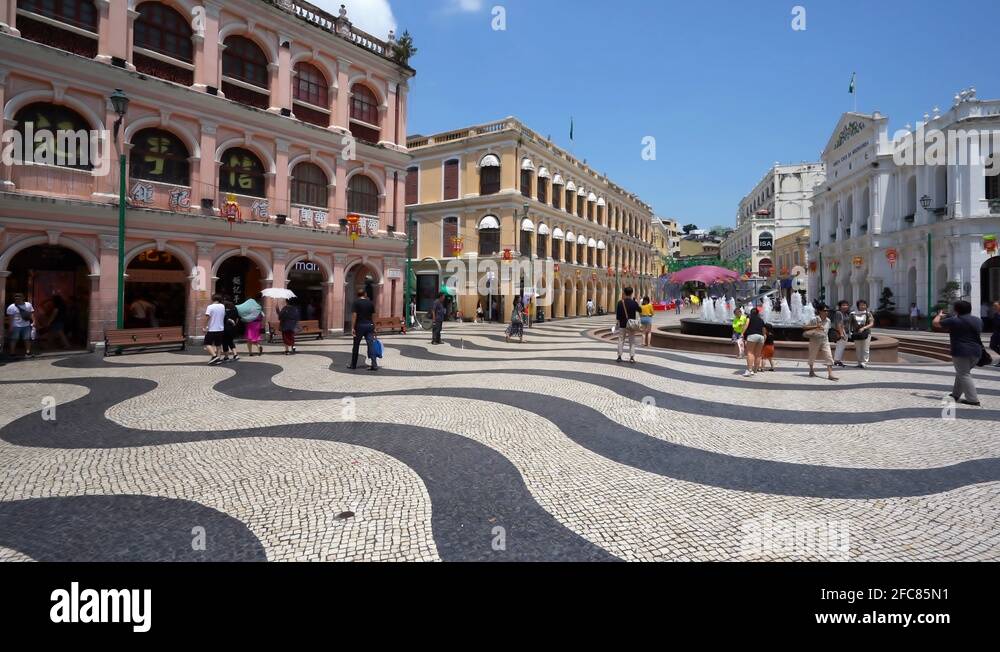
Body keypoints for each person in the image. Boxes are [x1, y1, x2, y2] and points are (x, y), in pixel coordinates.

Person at [934, 301, 983, 406]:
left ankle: (973, 399)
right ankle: (956, 394)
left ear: (957, 310)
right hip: (977, 352)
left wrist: (939, 315)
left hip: (961, 351)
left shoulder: (955, 320)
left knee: (964, 374)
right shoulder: (978, 320)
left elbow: (935, 323)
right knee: (962, 372)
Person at [803, 302, 838, 381]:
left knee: (829, 355)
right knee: (812, 355)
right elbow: (804, 327)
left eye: (827, 310)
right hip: (815, 340)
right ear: (820, 311)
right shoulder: (814, 319)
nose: (826, 312)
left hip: (825, 340)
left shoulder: (828, 320)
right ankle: (811, 370)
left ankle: (830, 374)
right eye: (825, 310)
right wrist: (816, 326)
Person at [348, 288, 378, 371]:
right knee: (370, 345)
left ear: (358, 295)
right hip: (369, 326)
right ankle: (374, 364)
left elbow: (354, 316)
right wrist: (374, 327)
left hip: (359, 326)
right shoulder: (370, 303)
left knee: (356, 345)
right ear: (365, 294)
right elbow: (374, 316)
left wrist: (353, 327)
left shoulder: (356, 303)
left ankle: (353, 365)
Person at [615, 286, 641, 363]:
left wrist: (618, 322)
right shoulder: (634, 303)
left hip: (622, 325)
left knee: (621, 340)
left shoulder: (620, 303)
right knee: (632, 341)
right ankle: (632, 357)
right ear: (631, 293)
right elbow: (640, 310)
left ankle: (619, 356)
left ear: (624, 293)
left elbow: (618, 316)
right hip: (631, 325)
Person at [5, 293, 35, 359]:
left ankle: (28, 352)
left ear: (23, 298)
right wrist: (10, 327)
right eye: (16, 298)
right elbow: (11, 318)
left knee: (27, 339)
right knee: (14, 339)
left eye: (19, 298)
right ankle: (12, 353)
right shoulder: (11, 307)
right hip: (16, 326)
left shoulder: (28, 305)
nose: (17, 299)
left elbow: (31, 313)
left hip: (26, 325)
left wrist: (34, 322)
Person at [742, 306, 766, 377]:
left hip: (752, 335)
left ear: (751, 313)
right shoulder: (761, 320)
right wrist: (764, 338)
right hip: (761, 337)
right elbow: (763, 330)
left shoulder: (749, 317)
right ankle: (755, 370)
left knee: (750, 352)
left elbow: (746, 325)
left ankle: (749, 370)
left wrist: (742, 333)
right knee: (758, 354)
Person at [850, 300, 875, 368]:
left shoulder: (868, 313)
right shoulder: (853, 314)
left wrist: (864, 328)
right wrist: (850, 332)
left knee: (865, 348)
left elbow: (871, 323)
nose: (863, 306)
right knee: (858, 348)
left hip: (866, 333)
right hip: (856, 333)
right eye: (861, 305)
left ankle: (864, 362)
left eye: (864, 305)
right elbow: (850, 324)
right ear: (858, 305)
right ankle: (859, 362)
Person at [203, 294, 226, 365]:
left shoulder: (210, 307)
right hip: (220, 328)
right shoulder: (222, 306)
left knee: (207, 344)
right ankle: (218, 359)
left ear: (213, 299)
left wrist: (204, 326)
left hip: (212, 329)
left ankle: (214, 356)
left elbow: (207, 317)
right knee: (218, 345)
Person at [832, 300, 852, 368]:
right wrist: (841, 334)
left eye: (846, 305)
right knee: (839, 347)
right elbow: (839, 324)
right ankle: (836, 361)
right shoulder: (838, 313)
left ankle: (838, 360)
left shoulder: (846, 313)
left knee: (841, 347)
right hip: (841, 332)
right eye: (843, 305)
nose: (845, 306)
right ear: (840, 306)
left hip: (845, 332)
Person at [990, 301, 1000, 367]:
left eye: (996, 306)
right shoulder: (996, 314)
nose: (994, 307)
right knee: (992, 345)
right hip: (996, 333)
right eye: (994, 306)